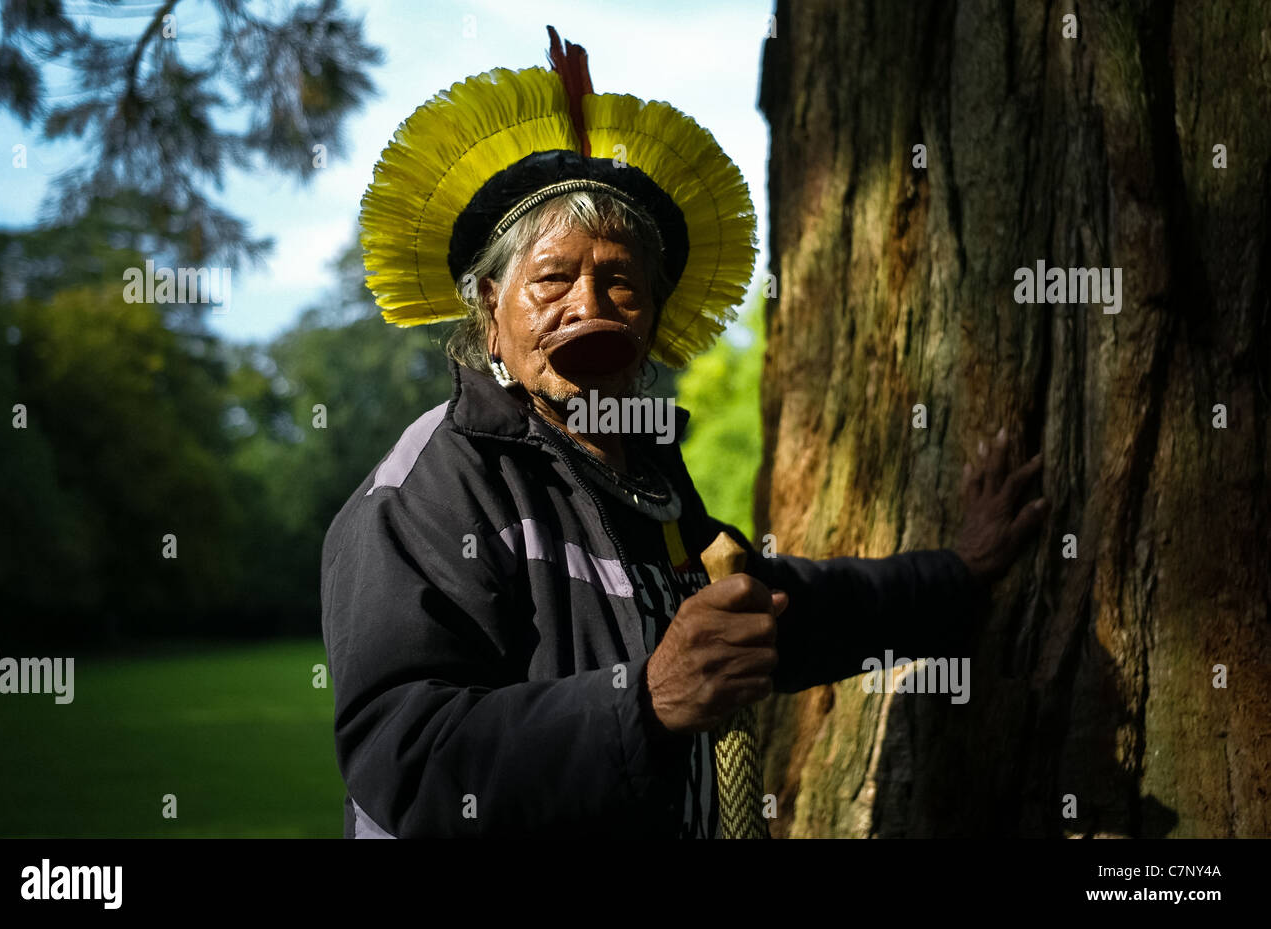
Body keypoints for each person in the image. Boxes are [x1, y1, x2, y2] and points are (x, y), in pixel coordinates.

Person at [321, 29, 1046, 838]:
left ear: (655, 318)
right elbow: (409, 760)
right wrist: (643, 702)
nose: (588, 306)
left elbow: (796, 612)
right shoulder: (432, 485)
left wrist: (964, 569)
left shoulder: (653, 491)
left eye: (620, 280)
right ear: (491, 310)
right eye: (553, 279)